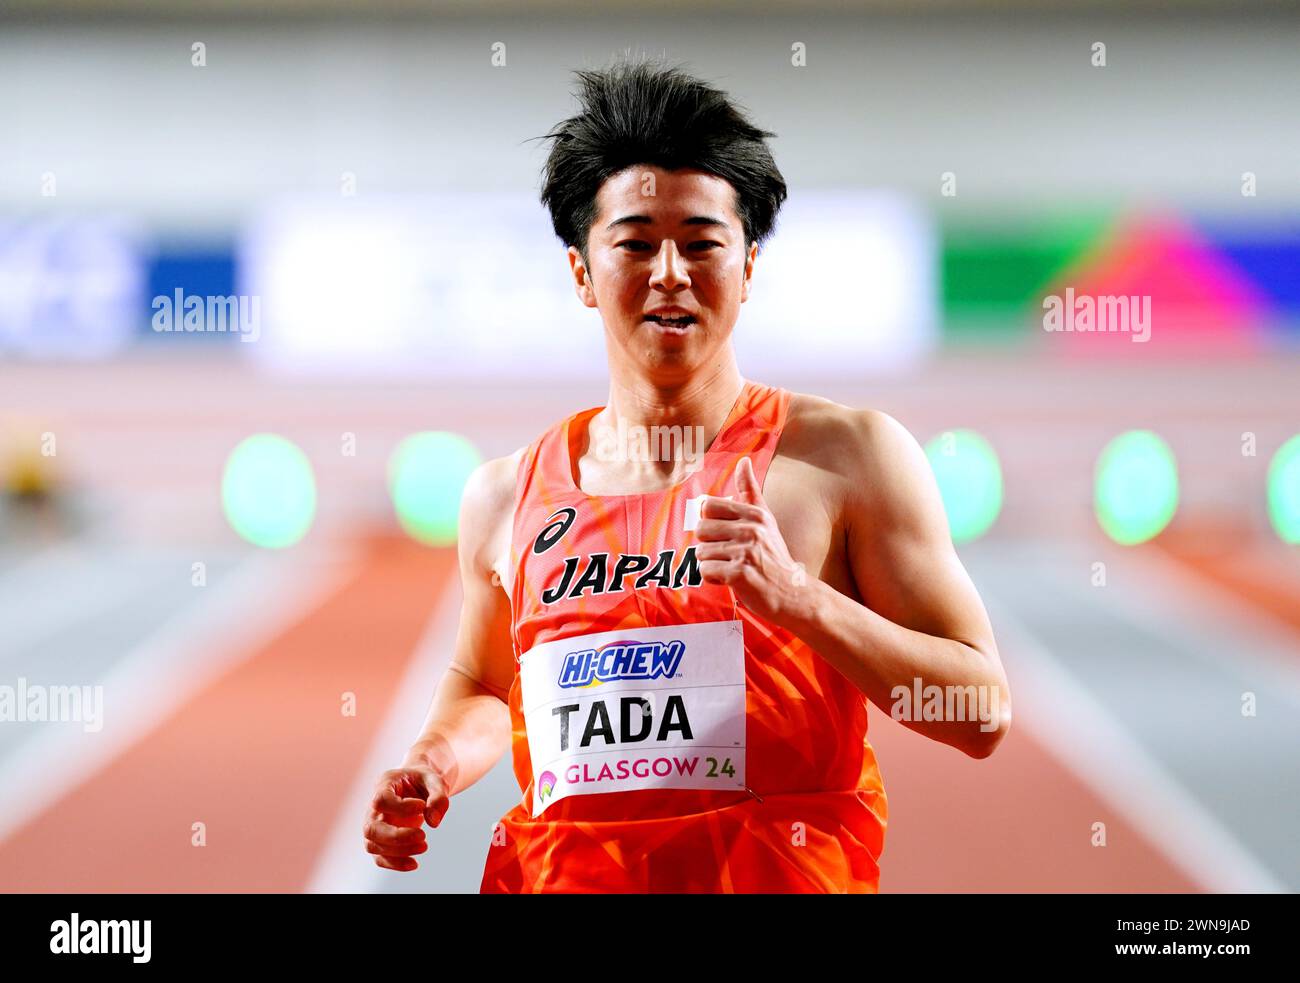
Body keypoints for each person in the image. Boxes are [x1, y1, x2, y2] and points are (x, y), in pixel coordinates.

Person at [363, 56, 1011, 893]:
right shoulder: (502, 497)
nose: (670, 272)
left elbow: (980, 712)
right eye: (634, 243)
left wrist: (802, 601)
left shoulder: (846, 458)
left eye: (702, 244)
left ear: (748, 267)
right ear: (581, 274)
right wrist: (435, 761)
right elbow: (486, 683)